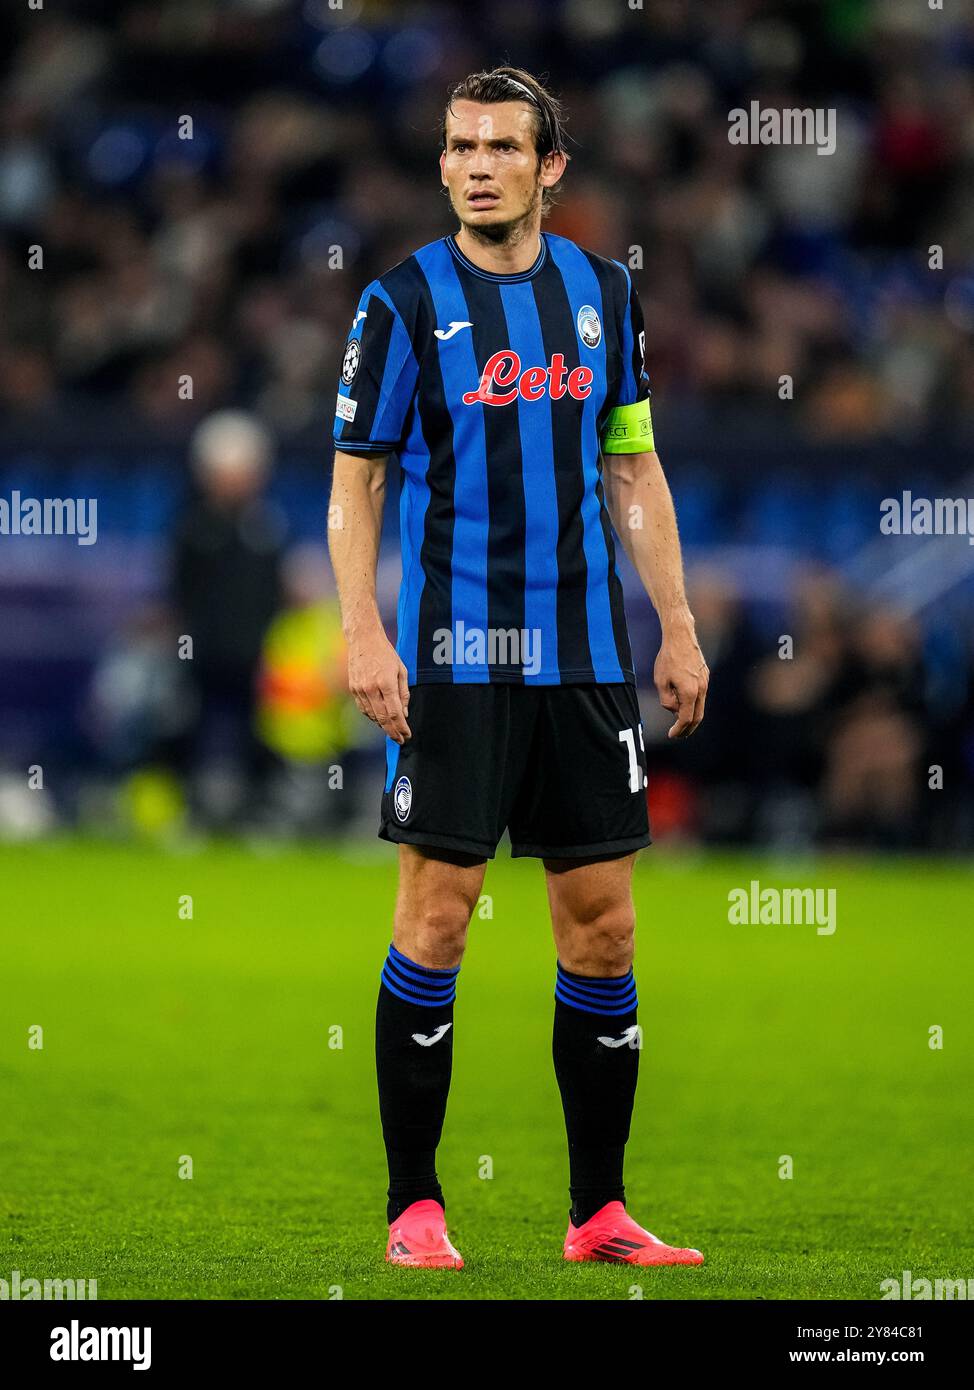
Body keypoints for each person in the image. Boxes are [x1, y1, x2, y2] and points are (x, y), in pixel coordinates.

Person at [328, 67, 709, 1269]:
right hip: (452, 656)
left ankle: (595, 1211)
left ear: (549, 167)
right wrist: (360, 628)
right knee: (438, 918)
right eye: (456, 145)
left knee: (602, 930)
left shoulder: (604, 295)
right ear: (439, 163)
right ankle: (412, 1206)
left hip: (586, 660)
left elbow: (631, 468)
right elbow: (357, 477)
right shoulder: (399, 303)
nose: (475, 163)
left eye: (500, 145)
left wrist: (679, 621)